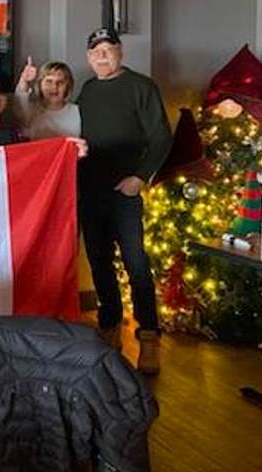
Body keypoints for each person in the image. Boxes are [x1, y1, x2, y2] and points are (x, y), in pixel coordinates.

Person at [77, 27, 172, 374]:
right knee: (100, 262)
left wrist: (140, 178)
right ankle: (110, 326)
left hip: (124, 193)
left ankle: (149, 336)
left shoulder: (141, 87)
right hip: (91, 192)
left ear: (119, 52)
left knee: (136, 264)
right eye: (96, 51)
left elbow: (161, 137)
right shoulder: (86, 91)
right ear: (89, 58)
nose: (102, 55)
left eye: (108, 49)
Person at [14, 58, 81, 139]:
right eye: (49, 81)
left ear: (68, 86)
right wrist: (24, 81)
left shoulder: (78, 112)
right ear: (40, 85)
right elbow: (20, 102)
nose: (54, 87)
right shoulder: (29, 112)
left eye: (60, 82)